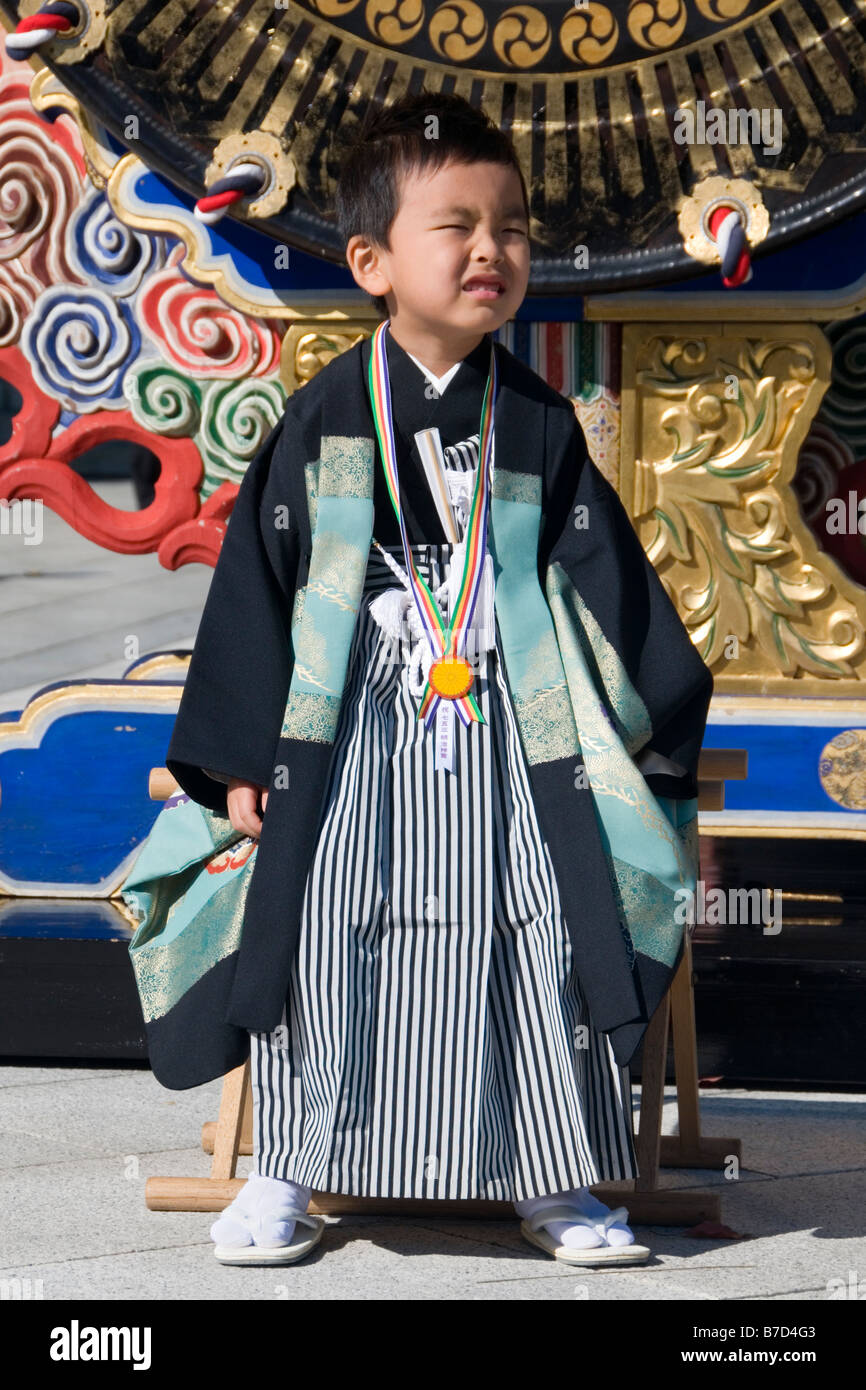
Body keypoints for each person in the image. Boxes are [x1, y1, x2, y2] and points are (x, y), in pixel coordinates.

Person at [162, 90, 713, 1269]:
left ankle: (556, 1178)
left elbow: (610, 595)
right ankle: (288, 1170)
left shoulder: (541, 424)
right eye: (453, 225)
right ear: (370, 261)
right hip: (351, 721)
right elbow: (257, 585)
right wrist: (234, 753)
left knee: (538, 922)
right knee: (323, 919)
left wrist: (652, 746)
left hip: (514, 722)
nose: (489, 251)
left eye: (509, 227)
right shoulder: (318, 417)